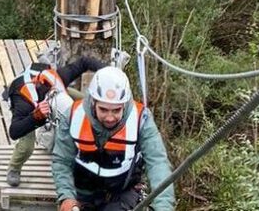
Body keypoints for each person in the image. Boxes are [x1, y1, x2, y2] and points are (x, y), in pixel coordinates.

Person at [51, 67, 174, 211]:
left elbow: (157, 162)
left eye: (116, 110)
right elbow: (62, 160)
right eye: (103, 110)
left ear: (124, 105)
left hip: (122, 193)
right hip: (81, 193)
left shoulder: (141, 119)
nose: (110, 117)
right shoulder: (73, 116)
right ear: (93, 103)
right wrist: (66, 196)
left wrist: (163, 206)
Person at [4, 53, 103, 187]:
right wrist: (35, 117)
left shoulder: (61, 77)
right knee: (27, 146)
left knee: (88, 102)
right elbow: (14, 132)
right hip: (26, 99)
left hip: (51, 88)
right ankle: (14, 168)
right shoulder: (24, 103)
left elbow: (84, 61)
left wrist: (107, 71)